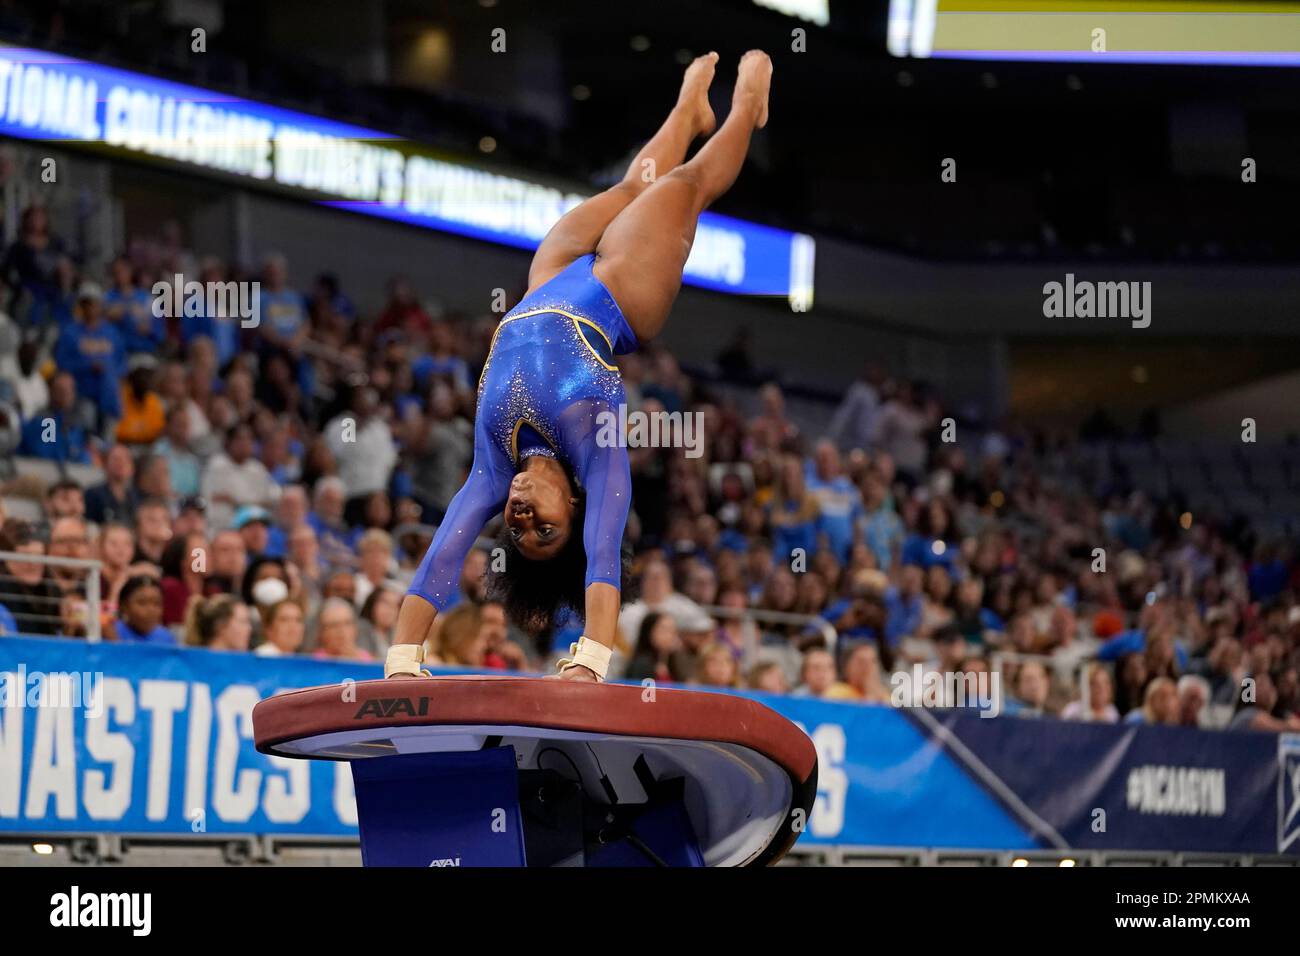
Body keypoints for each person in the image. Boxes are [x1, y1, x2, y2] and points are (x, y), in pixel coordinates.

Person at [392, 51, 773, 683]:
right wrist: (592, 657)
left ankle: (687, 112)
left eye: (517, 532)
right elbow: (602, 551)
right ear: (573, 503)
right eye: (545, 529)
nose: (521, 518)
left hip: (546, 285)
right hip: (619, 299)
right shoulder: (596, 452)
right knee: (682, 187)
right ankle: (746, 112)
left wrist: (403, 657)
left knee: (632, 187)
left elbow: (444, 549)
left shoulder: (494, 466)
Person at [110, 575, 176, 645]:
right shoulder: (112, 632)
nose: (151, 610)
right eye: (142, 602)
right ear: (124, 606)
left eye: (157, 603)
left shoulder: (166, 637)